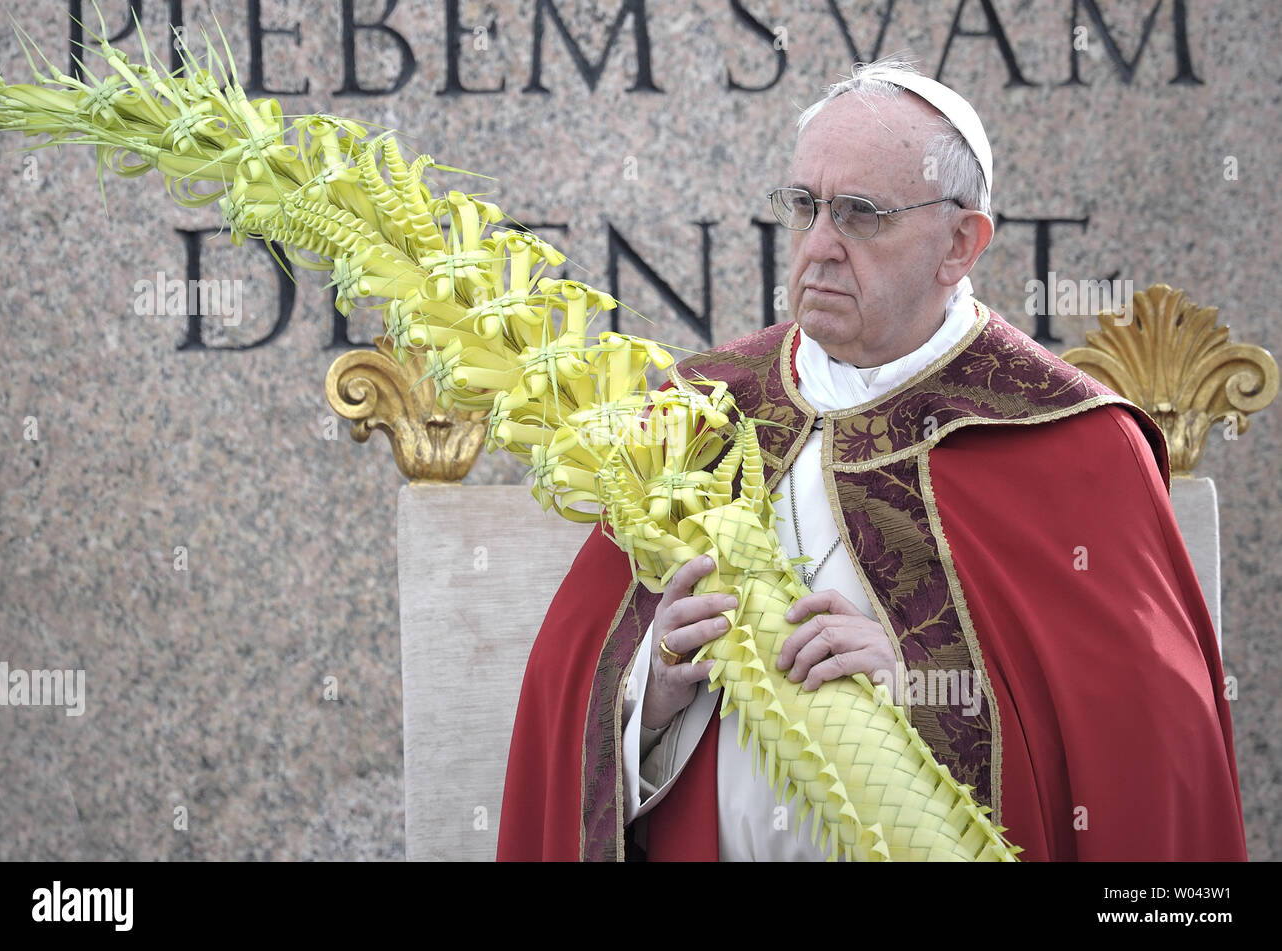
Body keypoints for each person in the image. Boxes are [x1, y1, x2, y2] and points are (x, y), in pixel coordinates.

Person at [496, 59, 1248, 861]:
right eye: (804, 206)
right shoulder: (701, 410)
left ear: (960, 242)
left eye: (861, 214)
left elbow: (1149, 753)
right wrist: (649, 682)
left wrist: (921, 686)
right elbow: (565, 682)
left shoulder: (1073, 441)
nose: (817, 246)